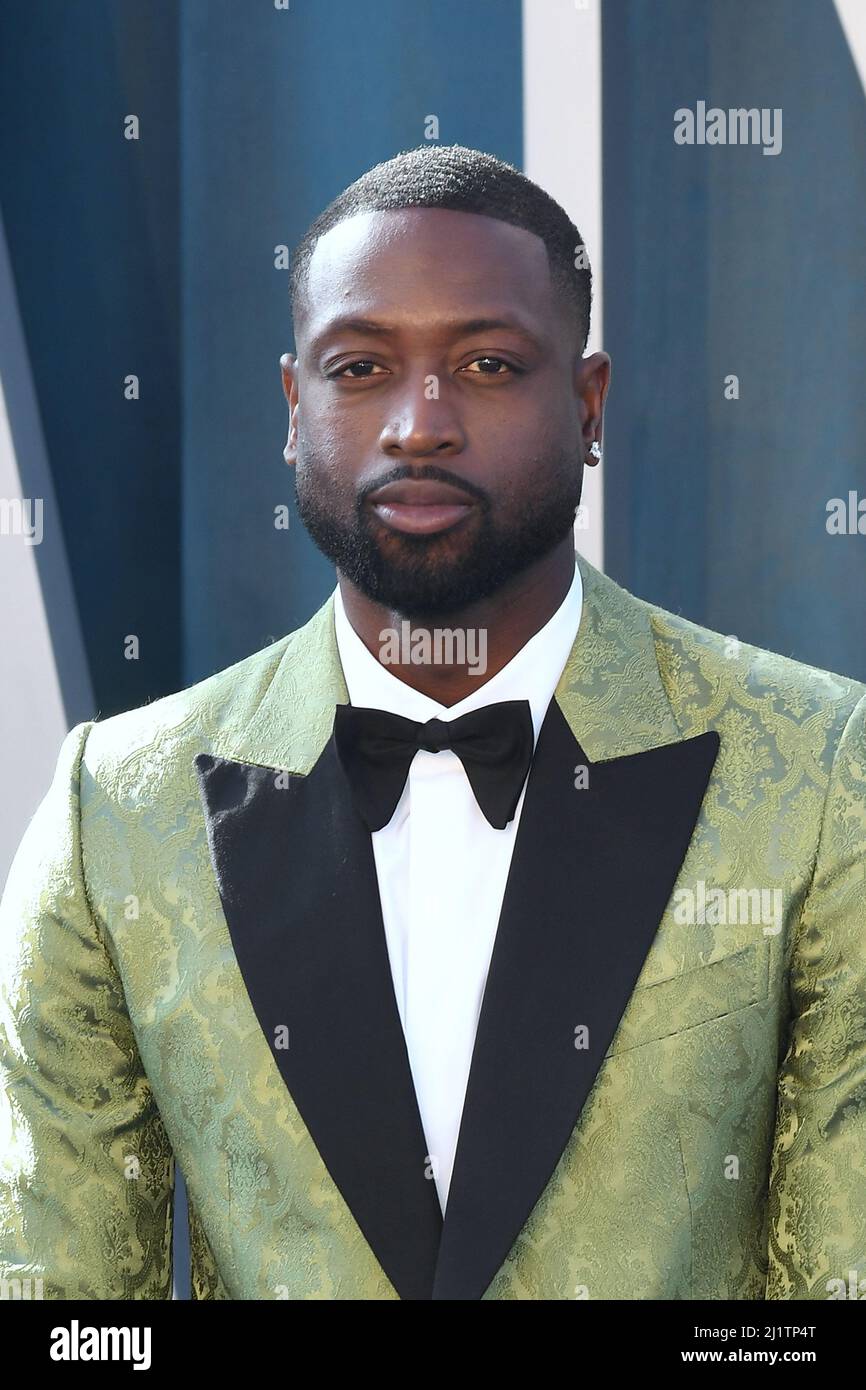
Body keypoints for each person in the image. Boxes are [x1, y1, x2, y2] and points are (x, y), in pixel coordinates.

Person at [1, 145, 864, 1301]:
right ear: (293, 409)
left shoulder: (815, 771)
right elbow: (60, 1310)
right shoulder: (117, 805)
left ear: (588, 403)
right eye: (360, 366)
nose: (419, 423)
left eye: (488, 363)